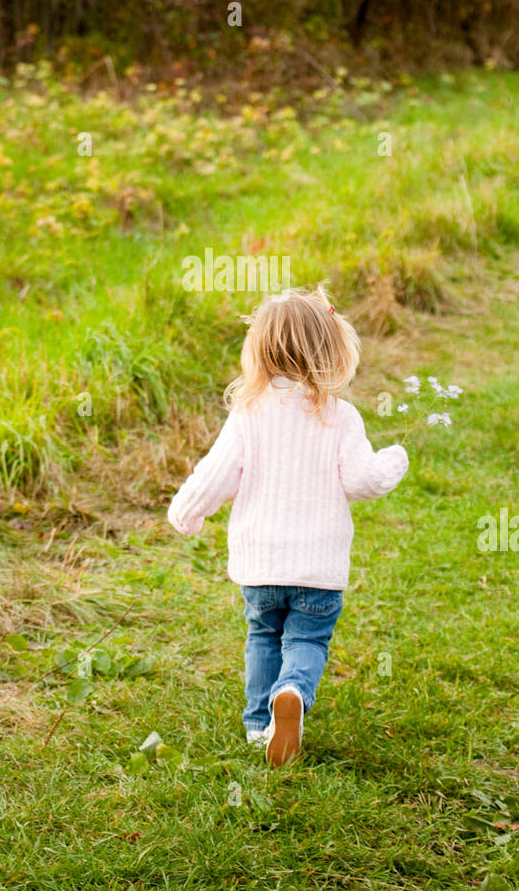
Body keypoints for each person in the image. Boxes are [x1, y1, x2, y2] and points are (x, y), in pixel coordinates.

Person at [168, 286, 409, 766]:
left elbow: (215, 474)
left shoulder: (247, 415)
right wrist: (395, 459)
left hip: (259, 563)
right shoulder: (341, 416)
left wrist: (187, 512)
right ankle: (294, 694)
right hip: (317, 565)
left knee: (262, 635)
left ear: (258, 351)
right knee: (307, 639)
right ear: (331, 350)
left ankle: (260, 726)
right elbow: (362, 481)